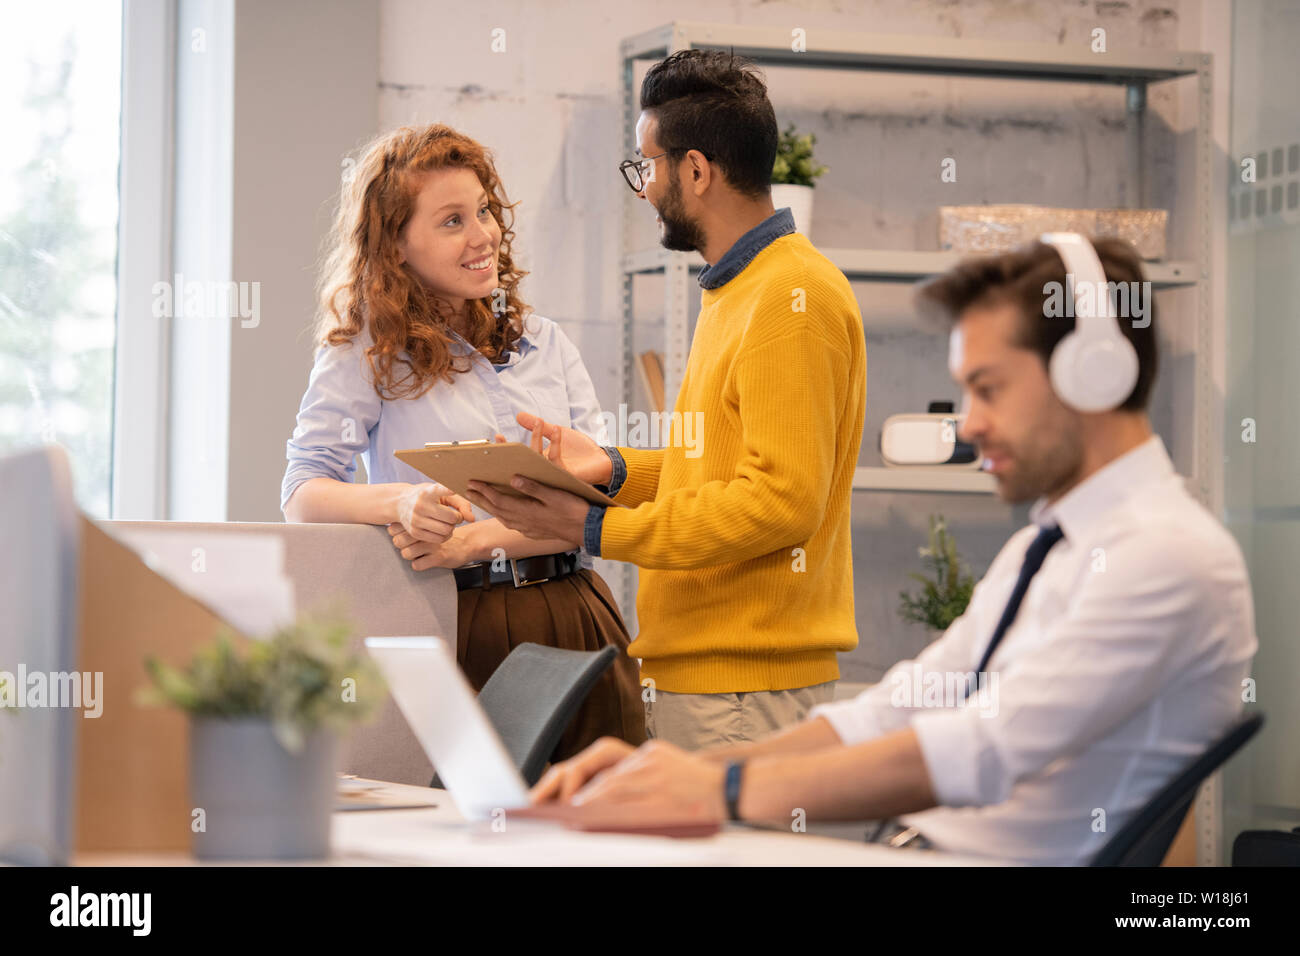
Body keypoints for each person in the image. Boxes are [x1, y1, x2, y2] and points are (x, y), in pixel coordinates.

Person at [524, 236, 1258, 866]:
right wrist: (674, 771)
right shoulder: (1054, 544)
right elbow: (903, 704)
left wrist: (717, 790)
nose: (967, 426)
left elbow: (982, 750)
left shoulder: (1166, 555)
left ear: (1092, 373)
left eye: (989, 389)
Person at [466, 50, 868, 752]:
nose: (643, 188)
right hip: (713, 680)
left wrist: (589, 530)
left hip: (742, 687)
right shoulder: (738, 288)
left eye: (646, 167)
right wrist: (612, 470)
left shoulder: (788, 298)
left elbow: (780, 503)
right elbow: (721, 470)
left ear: (695, 171)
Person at [281, 124, 644, 759]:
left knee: (604, 831)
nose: (483, 236)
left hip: (579, 612)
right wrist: (400, 504)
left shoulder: (547, 342)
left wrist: (476, 538)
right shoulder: (367, 353)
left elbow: (601, 504)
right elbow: (303, 496)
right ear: (395, 245)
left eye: (482, 211)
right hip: (454, 622)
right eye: (452, 221)